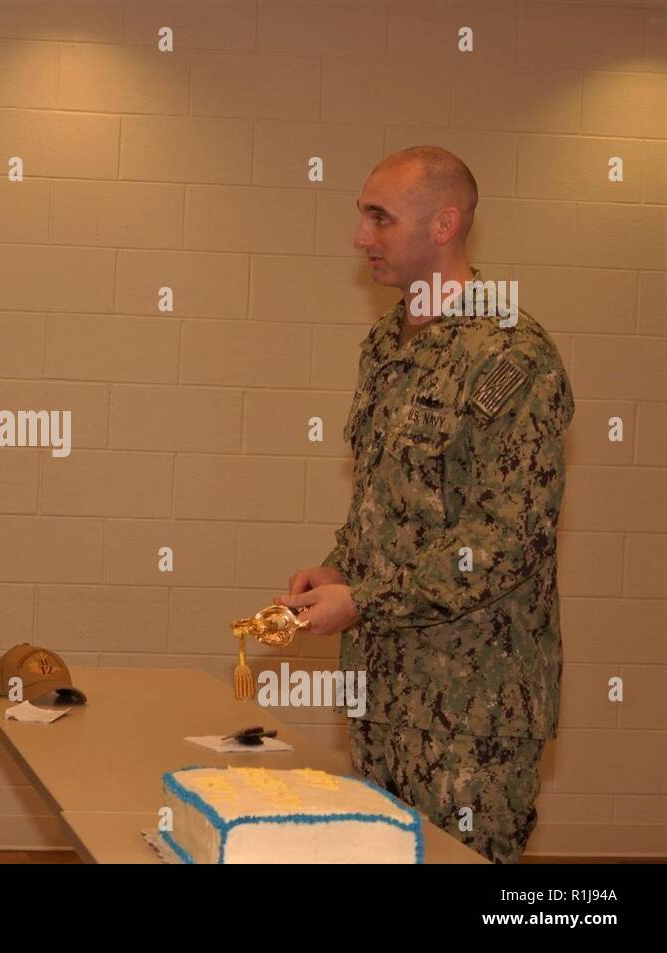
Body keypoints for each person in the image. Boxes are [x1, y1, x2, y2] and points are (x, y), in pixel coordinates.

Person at [277, 147, 574, 864]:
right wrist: (338, 565)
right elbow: (386, 496)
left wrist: (365, 597)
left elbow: (506, 540)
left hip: (473, 710)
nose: (361, 236)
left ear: (444, 224)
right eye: (362, 215)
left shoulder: (510, 354)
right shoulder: (386, 343)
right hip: (382, 692)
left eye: (380, 217)